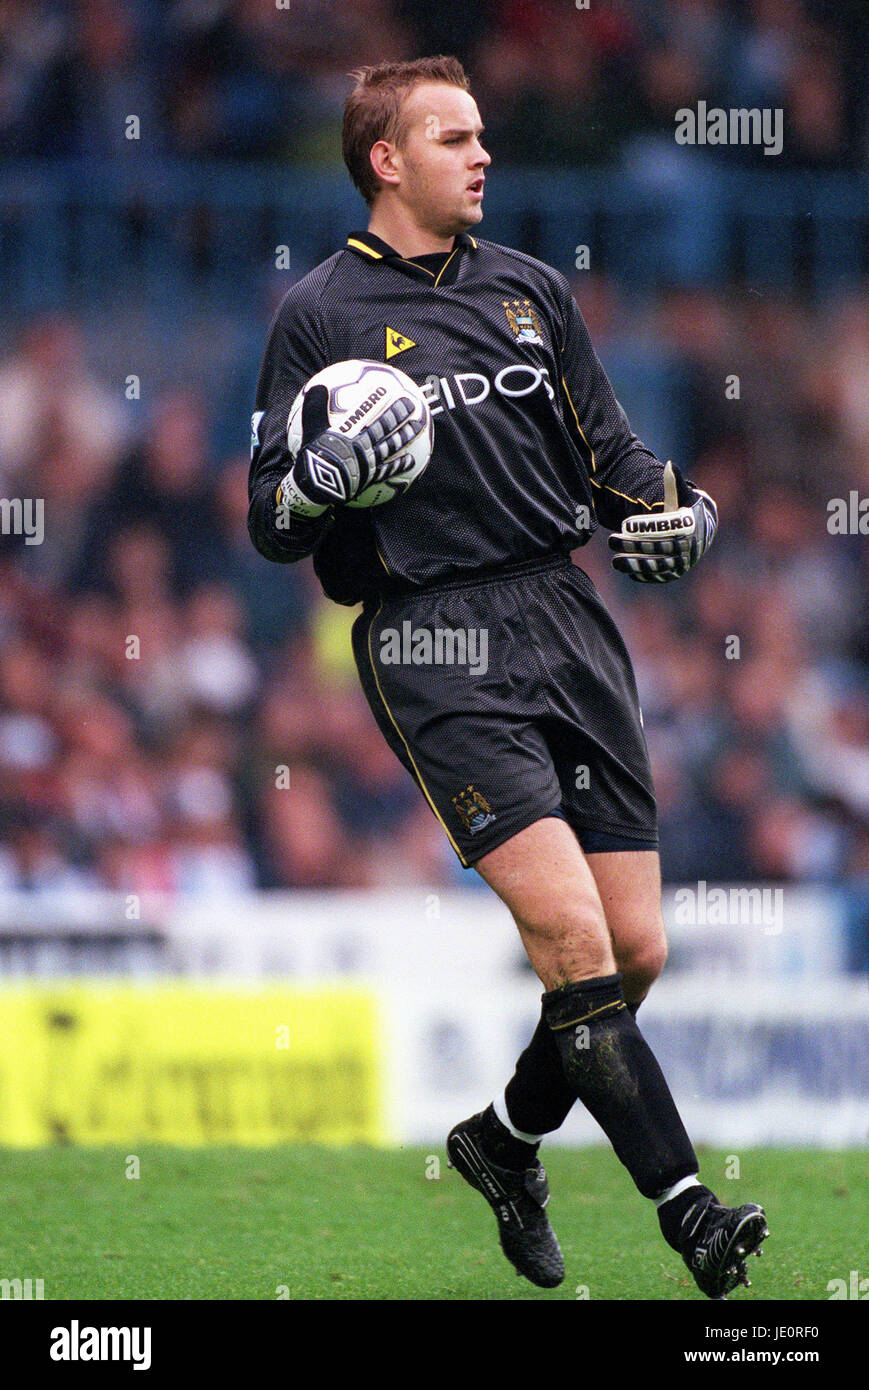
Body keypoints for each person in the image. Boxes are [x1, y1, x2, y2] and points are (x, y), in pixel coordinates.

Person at [247, 55, 768, 1299]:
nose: (483, 155)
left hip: (567, 618)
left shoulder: (532, 291)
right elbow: (269, 515)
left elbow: (617, 456)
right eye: (454, 138)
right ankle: (687, 1209)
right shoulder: (317, 315)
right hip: (435, 640)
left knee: (632, 951)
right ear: (386, 159)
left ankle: (500, 1142)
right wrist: (316, 482)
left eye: (481, 136)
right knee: (570, 937)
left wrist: (677, 514)